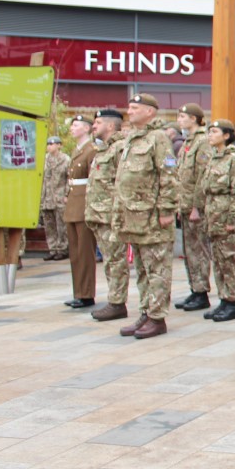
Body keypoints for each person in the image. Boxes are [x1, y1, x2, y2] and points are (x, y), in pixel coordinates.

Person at [113, 94, 179, 339]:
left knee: (157, 269)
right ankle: (146, 312)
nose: (129, 111)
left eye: (135, 107)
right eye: (129, 107)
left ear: (150, 111)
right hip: (134, 218)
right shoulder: (132, 138)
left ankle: (157, 317)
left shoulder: (159, 138)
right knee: (141, 269)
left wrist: (166, 210)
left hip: (152, 218)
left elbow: (169, 175)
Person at [197, 120, 235, 322]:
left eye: (215, 131)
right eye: (209, 131)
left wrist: (234, 218)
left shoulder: (233, 159)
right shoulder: (213, 158)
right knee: (218, 261)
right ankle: (224, 299)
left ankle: (232, 302)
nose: (210, 135)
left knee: (228, 260)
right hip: (213, 217)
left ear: (226, 136)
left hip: (226, 217)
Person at [87, 110, 133, 323]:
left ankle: (117, 303)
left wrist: (119, 213)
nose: (94, 126)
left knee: (115, 260)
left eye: (98, 122)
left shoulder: (119, 148)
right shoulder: (103, 149)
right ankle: (114, 300)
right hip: (99, 215)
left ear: (110, 126)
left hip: (111, 215)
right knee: (109, 260)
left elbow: (123, 183)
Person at [174, 104, 214, 312]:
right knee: (189, 250)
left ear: (194, 118)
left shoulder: (202, 142)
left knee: (198, 249)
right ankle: (195, 288)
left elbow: (202, 177)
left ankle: (201, 290)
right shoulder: (187, 143)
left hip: (196, 207)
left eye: (183, 116)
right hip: (185, 204)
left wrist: (197, 206)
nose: (179, 120)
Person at [63, 114, 98, 308]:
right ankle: (79, 292)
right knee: (75, 252)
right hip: (73, 205)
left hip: (84, 204)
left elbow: (93, 180)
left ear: (86, 128)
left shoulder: (91, 150)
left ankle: (86, 293)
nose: (72, 128)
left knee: (85, 252)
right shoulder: (77, 150)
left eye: (76, 125)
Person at [40, 136, 70, 261]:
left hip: (59, 197)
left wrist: (67, 194)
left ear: (59, 145)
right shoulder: (44, 160)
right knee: (49, 225)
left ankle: (63, 249)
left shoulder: (65, 160)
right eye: (48, 144)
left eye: (52, 144)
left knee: (61, 225)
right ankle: (52, 249)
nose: (49, 146)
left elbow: (69, 178)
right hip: (46, 198)